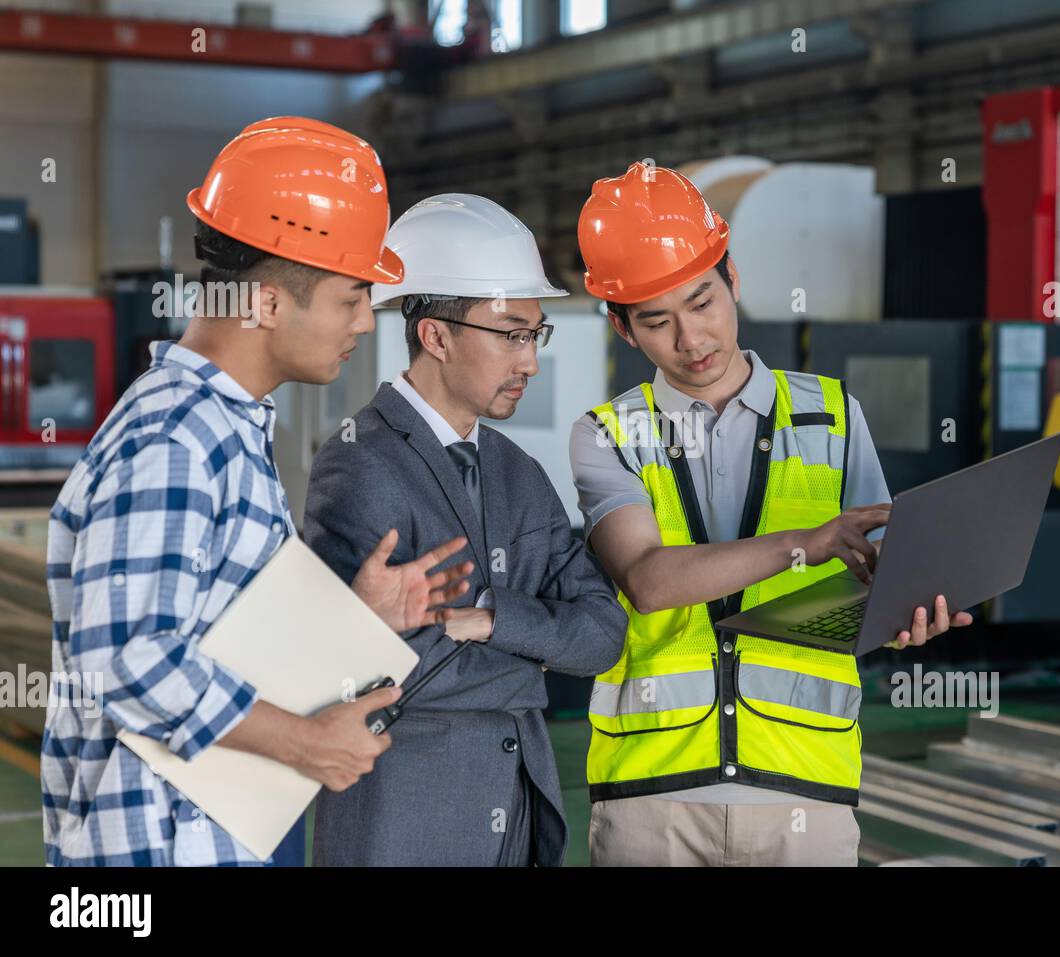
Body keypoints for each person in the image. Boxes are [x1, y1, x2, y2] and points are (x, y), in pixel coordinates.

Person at [42, 117, 474, 867]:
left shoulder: (223, 426)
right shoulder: (175, 438)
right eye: (349, 298)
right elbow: (127, 658)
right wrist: (308, 741)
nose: (362, 325)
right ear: (269, 304)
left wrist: (353, 616)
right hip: (157, 849)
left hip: (213, 832)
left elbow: (204, 639)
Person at [570, 162, 972, 866]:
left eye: (703, 302)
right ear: (622, 328)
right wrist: (808, 543)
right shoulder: (608, 433)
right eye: (657, 322)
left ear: (734, 278)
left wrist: (905, 616)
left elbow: (872, 575)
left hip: (804, 786)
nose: (691, 339)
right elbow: (649, 580)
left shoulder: (834, 414)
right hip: (654, 795)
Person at [304, 194, 626, 866]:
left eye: (535, 335)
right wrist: (535, 660)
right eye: (511, 333)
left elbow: (601, 633)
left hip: (519, 816)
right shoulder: (359, 459)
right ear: (437, 335)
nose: (530, 361)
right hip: (405, 823)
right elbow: (368, 669)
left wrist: (488, 617)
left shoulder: (519, 472)